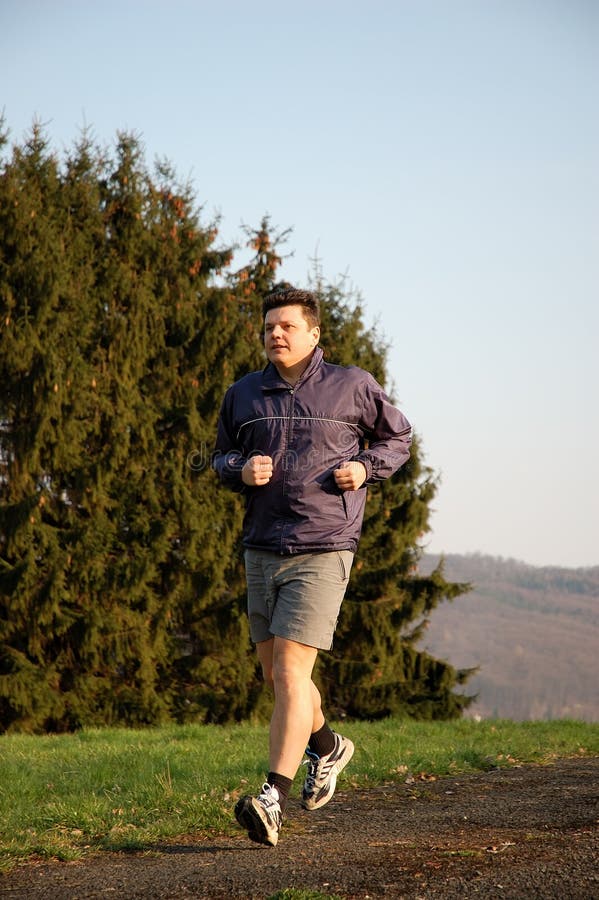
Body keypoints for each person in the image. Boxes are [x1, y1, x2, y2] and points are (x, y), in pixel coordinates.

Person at [212, 285, 412, 847]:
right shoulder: (244, 394)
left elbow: (398, 436)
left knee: (290, 673)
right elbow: (220, 454)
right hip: (261, 546)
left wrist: (365, 469)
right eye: (269, 326)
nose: (276, 334)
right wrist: (237, 468)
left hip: (324, 544)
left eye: (288, 326)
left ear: (313, 333)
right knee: (276, 677)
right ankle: (327, 746)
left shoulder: (352, 385)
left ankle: (271, 796)